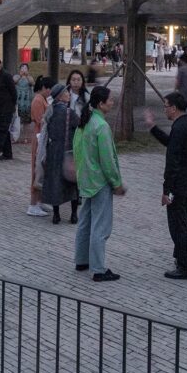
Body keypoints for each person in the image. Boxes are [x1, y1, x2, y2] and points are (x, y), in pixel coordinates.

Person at [145, 91, 187, 280]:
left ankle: (186, 267)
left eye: (165, 106)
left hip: (178, 186)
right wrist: (153, 128)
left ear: (174, 108)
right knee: (182, 223)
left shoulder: (179, 128)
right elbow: (172, 144)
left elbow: (172, 161)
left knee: (178, 226)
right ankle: (180, 258)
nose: (164, 110)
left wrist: (166, 190)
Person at [73, 86, 125, 281]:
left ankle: (82, 260)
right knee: (100, 226)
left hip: (85, 179)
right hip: (100, 181)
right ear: (101, 104)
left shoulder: (85, 122)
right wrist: (116, 182)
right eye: (110, 100)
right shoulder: (101, 126)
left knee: (85, 221)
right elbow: (108, 160)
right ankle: (98, 268)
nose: (112, 102)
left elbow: (76, 149)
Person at [40, 84, 79, 224]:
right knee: (72, 183)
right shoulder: (69, 113)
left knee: (54, 183)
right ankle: (74, 215)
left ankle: (56, 215)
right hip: (68, 151)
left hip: (52, 151)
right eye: (66, 92)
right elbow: (81, 125)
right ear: (61, 96)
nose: (69, 94)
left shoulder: (49, 112)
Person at [26, 77, 52, 216]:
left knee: (42, 170)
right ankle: (33, 204)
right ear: (45, 88)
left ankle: (40, 201)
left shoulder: (43, 99)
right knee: (37, 170)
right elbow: (40, 120)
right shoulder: (37, 100)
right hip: (39, 137)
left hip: (42, 136)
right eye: (50, 89)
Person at [15, 63, 35, 144]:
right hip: (18, 102)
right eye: (22, 68)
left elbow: (32, 83)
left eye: (25, 68)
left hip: (27, 103)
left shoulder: (29, 77)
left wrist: (26, 76)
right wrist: (20, 76)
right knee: (17, 122)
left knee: (26, 122)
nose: (23, 70)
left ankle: (26, 138)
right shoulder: (16, 76)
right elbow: (14, 81)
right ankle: (16, 137)